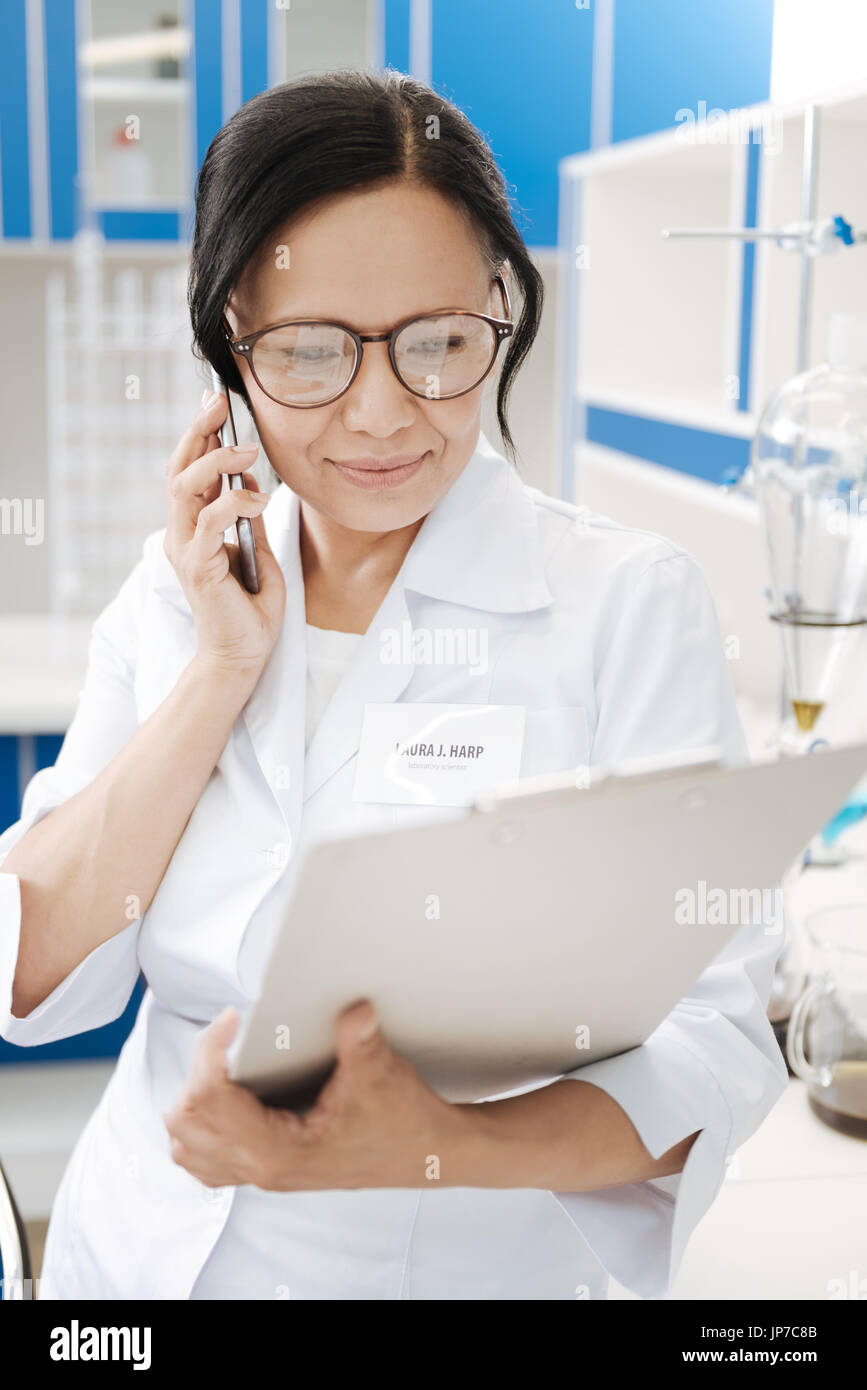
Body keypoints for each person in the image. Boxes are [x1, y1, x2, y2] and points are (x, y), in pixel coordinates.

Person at [0, 69, 786, 1301]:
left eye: (438, 345)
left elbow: (719, 1053)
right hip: (134, 1274)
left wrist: (430, 1144)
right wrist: (219, 669)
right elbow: (34, 979)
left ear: (499, 314)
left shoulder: (626, 605)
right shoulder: (178, 598)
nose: (382, 414)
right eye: (311, 352)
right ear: (230, 357)